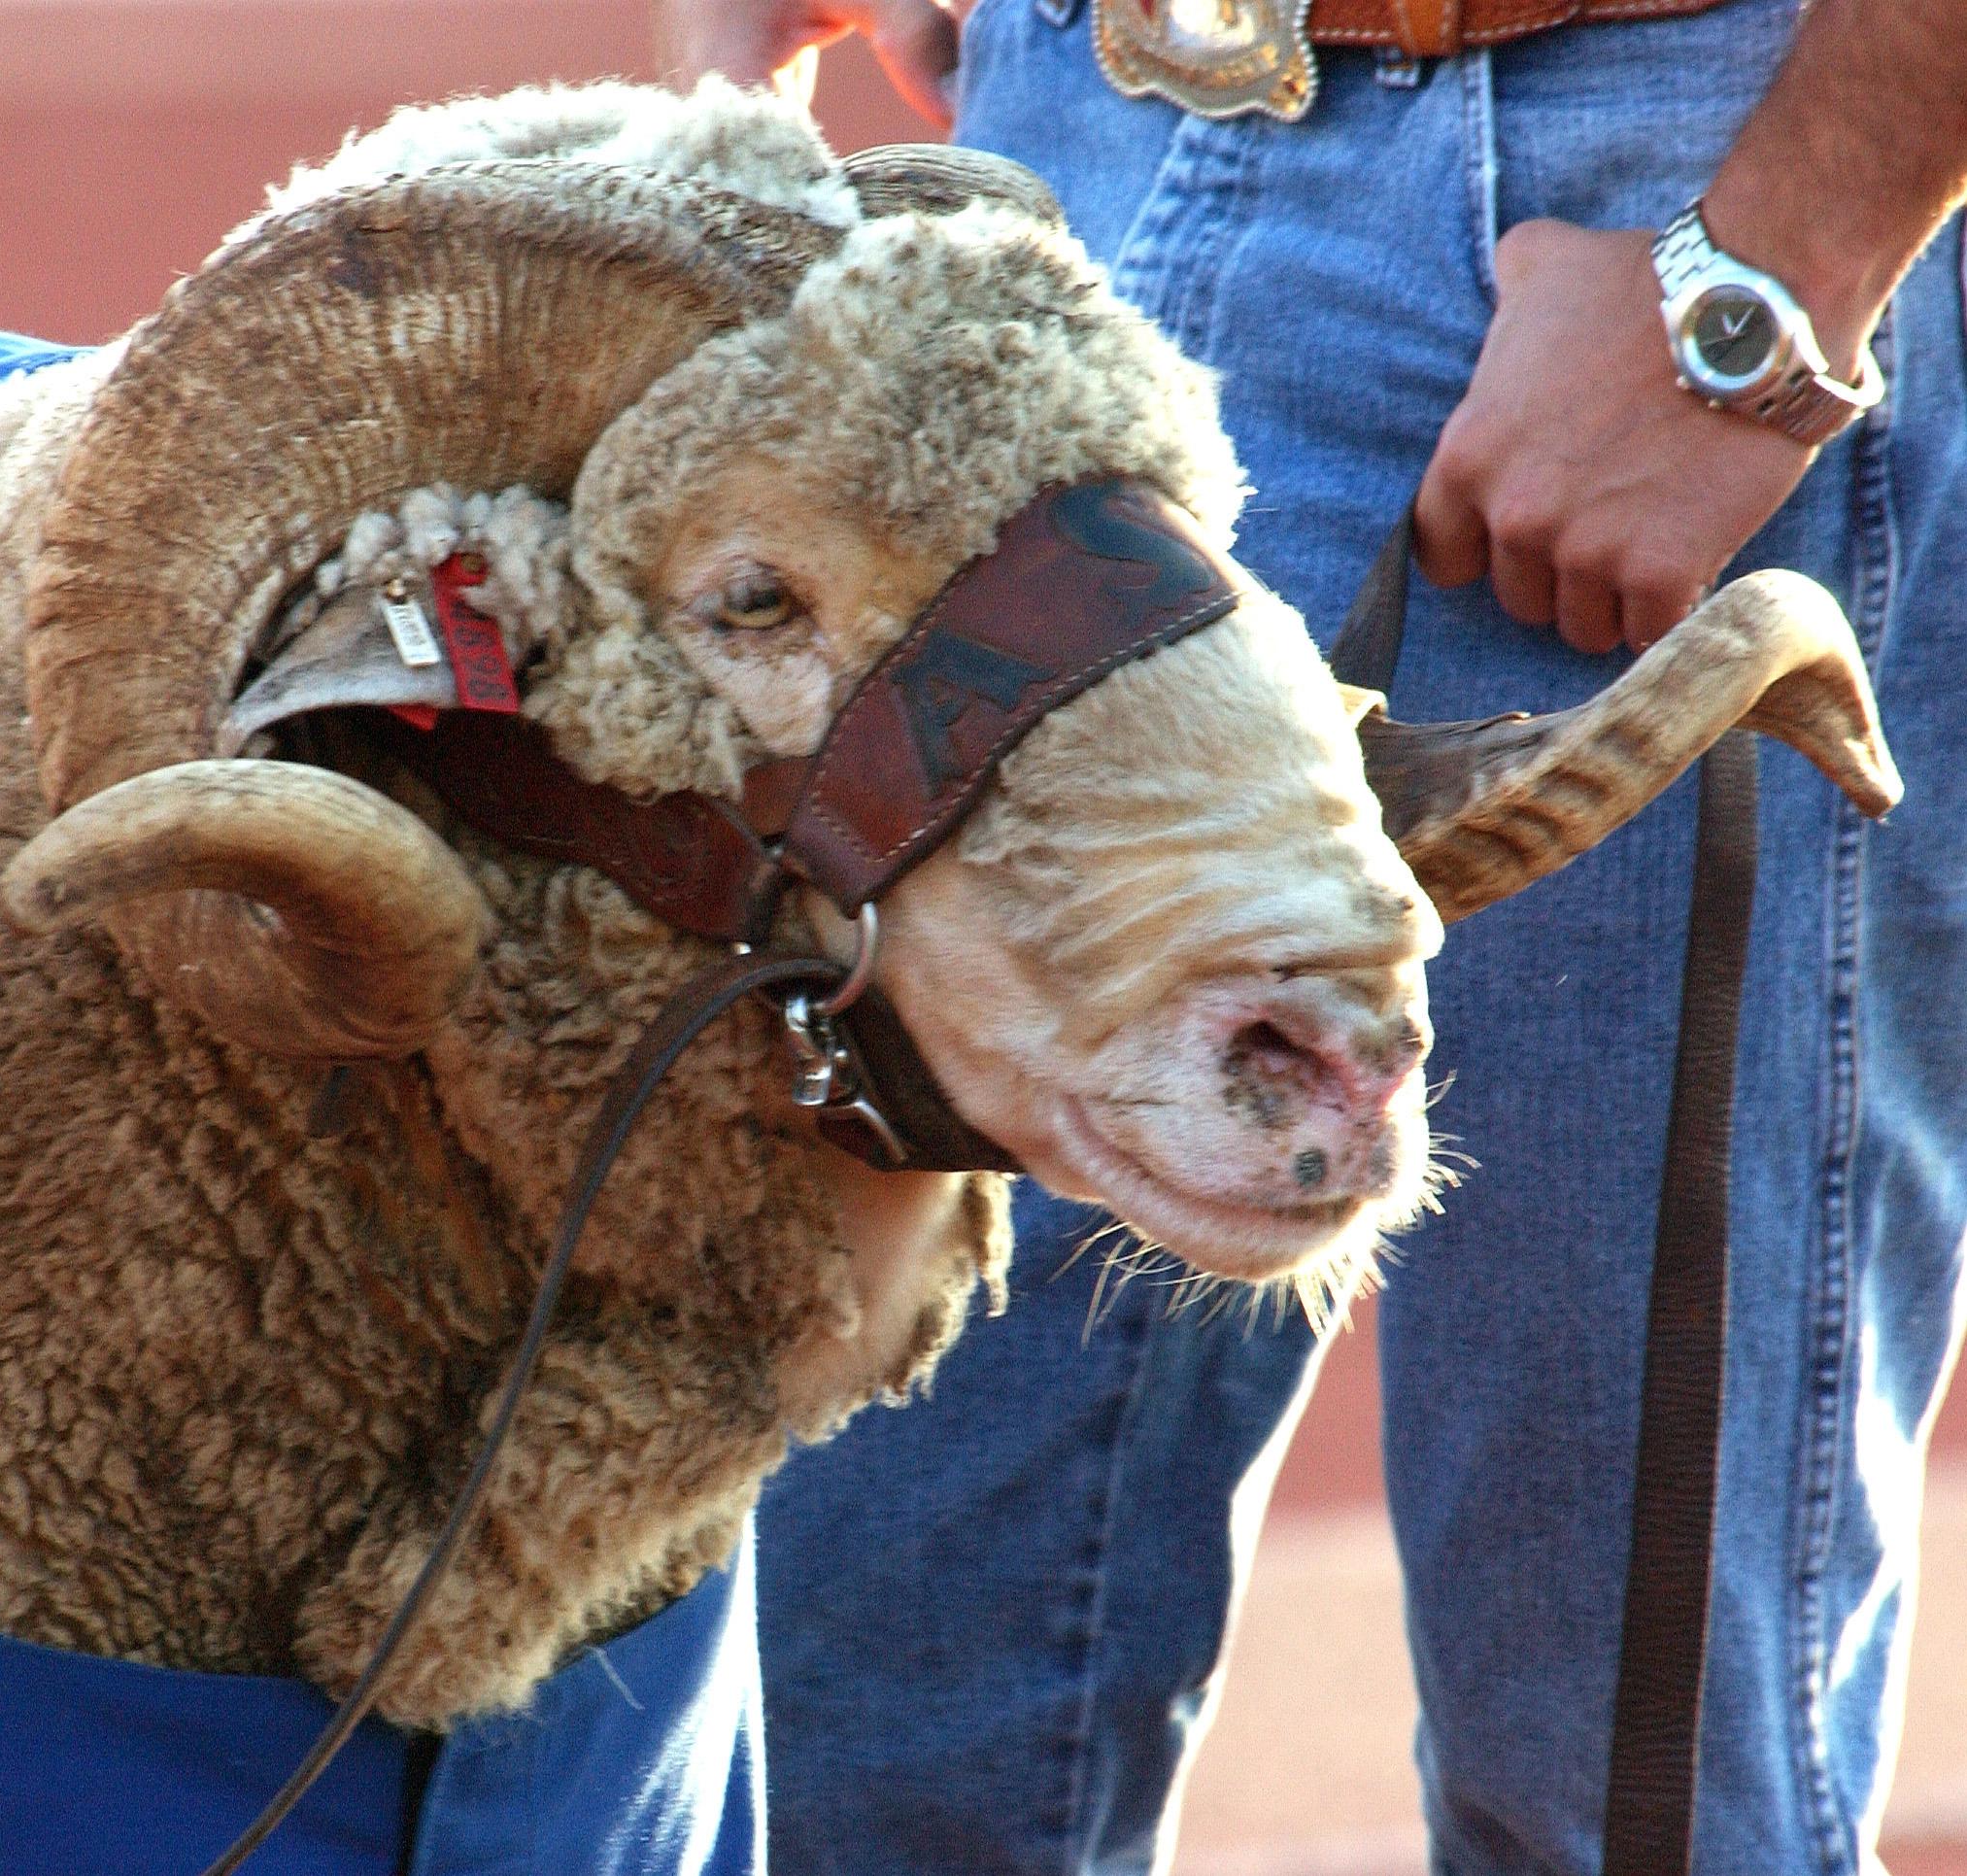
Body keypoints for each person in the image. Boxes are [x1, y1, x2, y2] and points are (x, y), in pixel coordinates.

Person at [658, 1, 1967, 1870]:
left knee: (1619, 1780)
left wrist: (1766, 274)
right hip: (1059, 169)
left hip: (1661, 177)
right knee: (855, 1720)